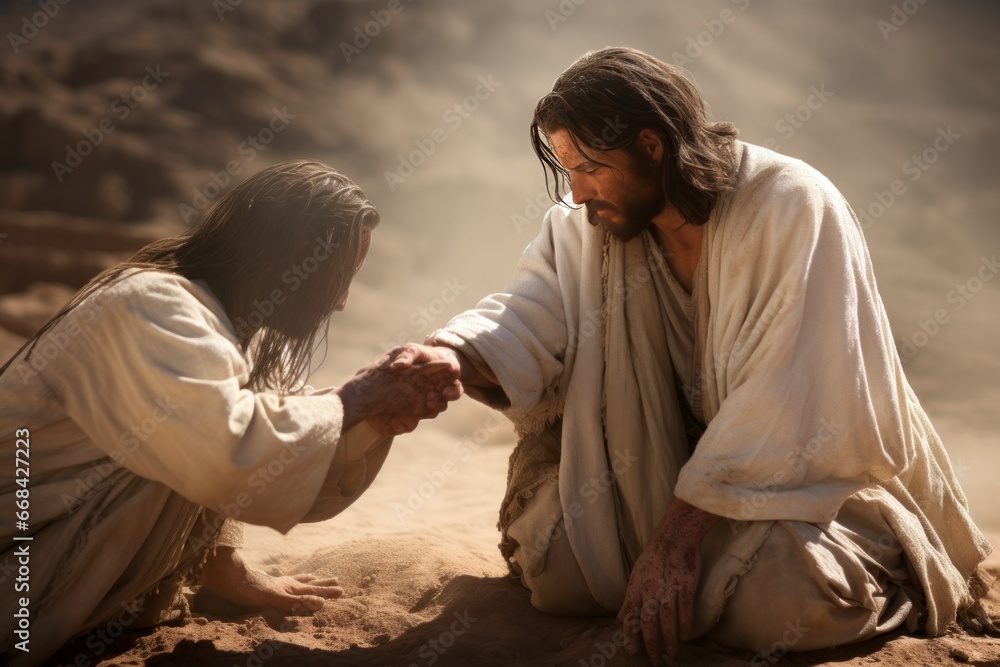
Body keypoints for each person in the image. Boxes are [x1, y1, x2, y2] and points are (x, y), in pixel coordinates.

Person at [392, 47, 994, 663]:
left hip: (801, 489)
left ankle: (897, 575)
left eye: (589, 167)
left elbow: (785, 399)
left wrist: (673, 543)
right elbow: (529, 311)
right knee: (564, 571)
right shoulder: (587, 227)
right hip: (661, 478)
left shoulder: (791, 207)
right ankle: (683, 583)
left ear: (651, 147)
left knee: (786, 599)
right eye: (566, 170)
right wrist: (450, 354)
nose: (575, 191)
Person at [0, 159, 462, 665]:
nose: (342, 303)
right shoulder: (152, 305)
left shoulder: (249, 334)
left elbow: (277, 444)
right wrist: (355, 400)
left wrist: (373, 416)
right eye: (337, 277)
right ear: (280, 261)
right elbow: (220, 447)